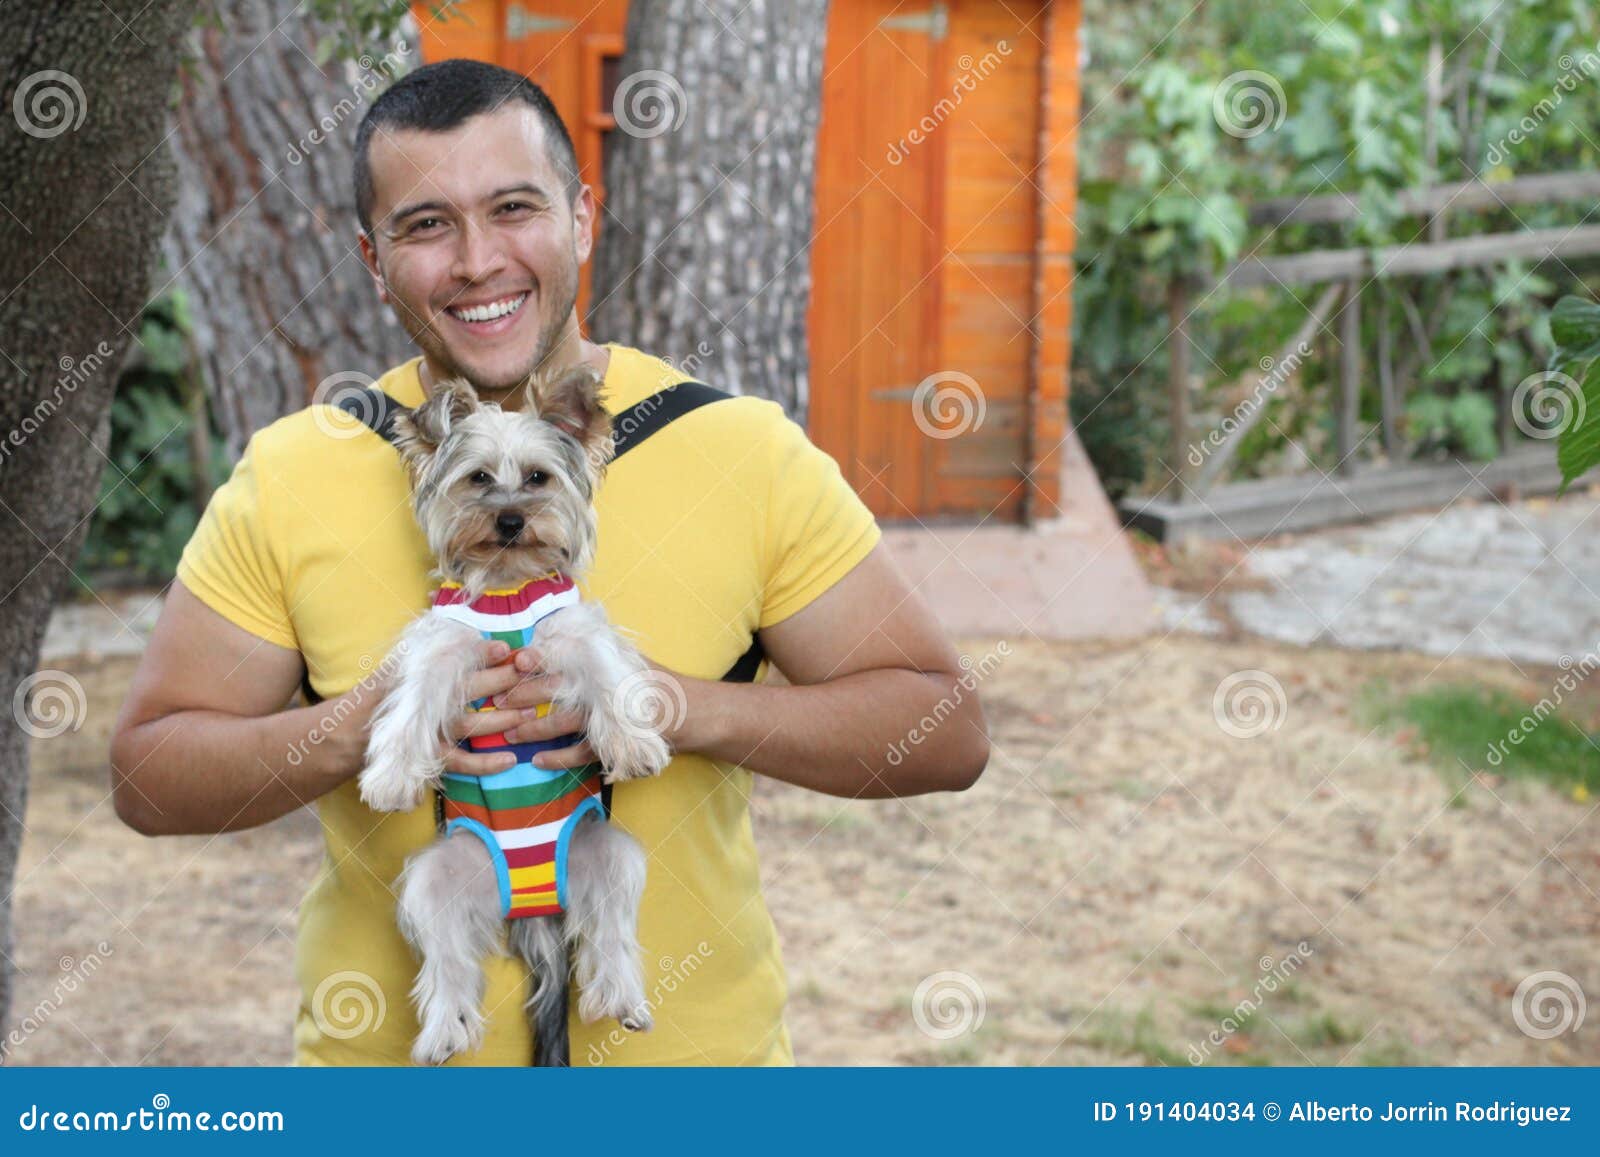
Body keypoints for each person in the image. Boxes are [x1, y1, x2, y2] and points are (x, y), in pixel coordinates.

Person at [109, 58, 989, 1066]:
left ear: (581, 217)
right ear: (372, 258)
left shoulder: (742, 451)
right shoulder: (297, 470)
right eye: (426, 224)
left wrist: (679, 708)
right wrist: (356, 729)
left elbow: (944, 728)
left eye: (513, 208)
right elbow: (149, 776)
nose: (478, 260)